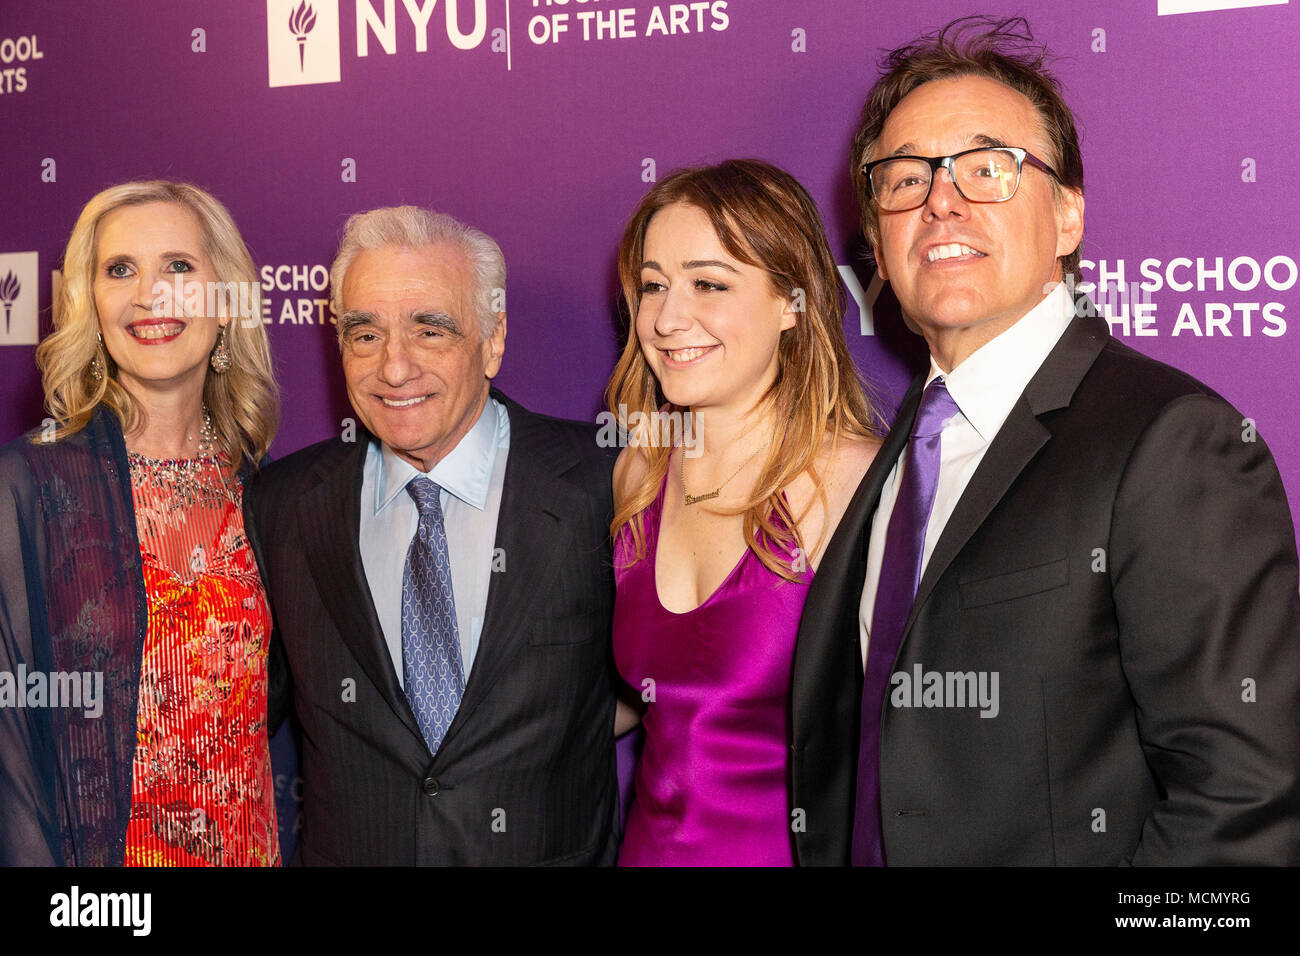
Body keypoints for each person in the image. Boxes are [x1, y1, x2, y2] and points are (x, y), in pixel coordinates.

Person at [791, 16, 1300, 866]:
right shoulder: (897, 453)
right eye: (905, 177)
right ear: (875, 235)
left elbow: (1244, 805)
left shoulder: (1174, 442)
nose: (940, 200)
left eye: (988, 168)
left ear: (1068, 216)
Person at [242, 206, 619, 865]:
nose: (393, 368)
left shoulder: (605, 484)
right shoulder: (281, 506)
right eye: (365, 336)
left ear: (493, 339)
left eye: (429, 331)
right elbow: (241, 715)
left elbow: (664, 687)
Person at [607, 159, 881, 866]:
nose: (667, 319)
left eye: (708, 284)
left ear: (793, 301)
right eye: (653, 286)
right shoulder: (639, 470)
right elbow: (647, 701)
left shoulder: (853, 481)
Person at [0, 180, 282, 866]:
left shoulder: (267, 490)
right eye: (120, 269)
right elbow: (8, 741)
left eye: (179, 267)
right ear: (90, 303)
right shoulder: (31, 485)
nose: (151, 295)